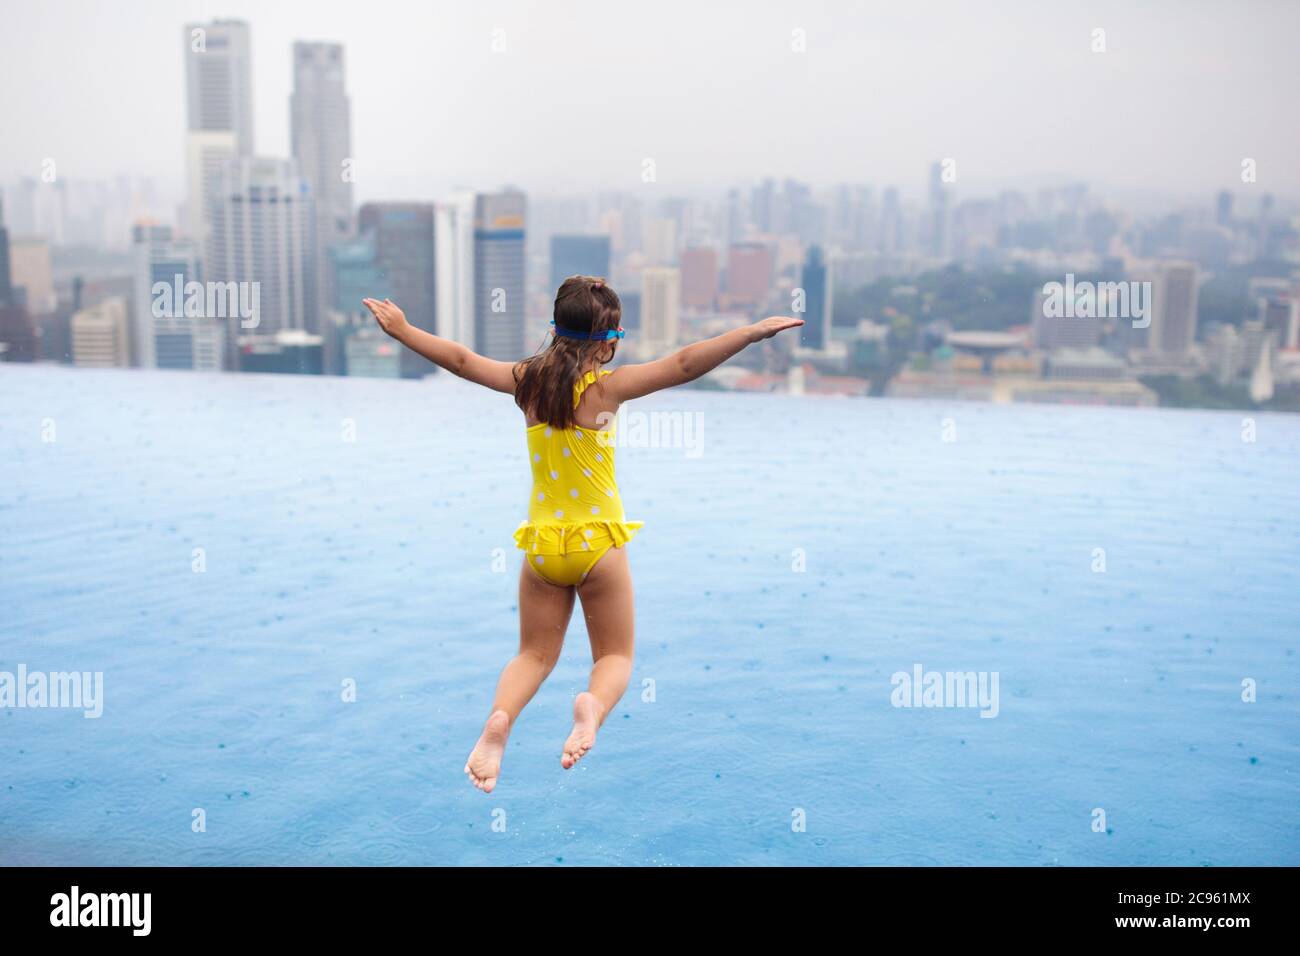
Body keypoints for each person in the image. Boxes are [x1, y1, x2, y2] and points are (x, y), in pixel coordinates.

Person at [363, 278, 802, 792]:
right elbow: (683, 365)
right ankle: (590, 708)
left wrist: (404, 330)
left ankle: (501, 720)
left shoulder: (524, 382)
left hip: (543, 549)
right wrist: (749, 333)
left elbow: (460, 360)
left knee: (533, 656)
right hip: (598, 547)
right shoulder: (606, 389)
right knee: (614, 658)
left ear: (554, 328)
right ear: (609, 338)